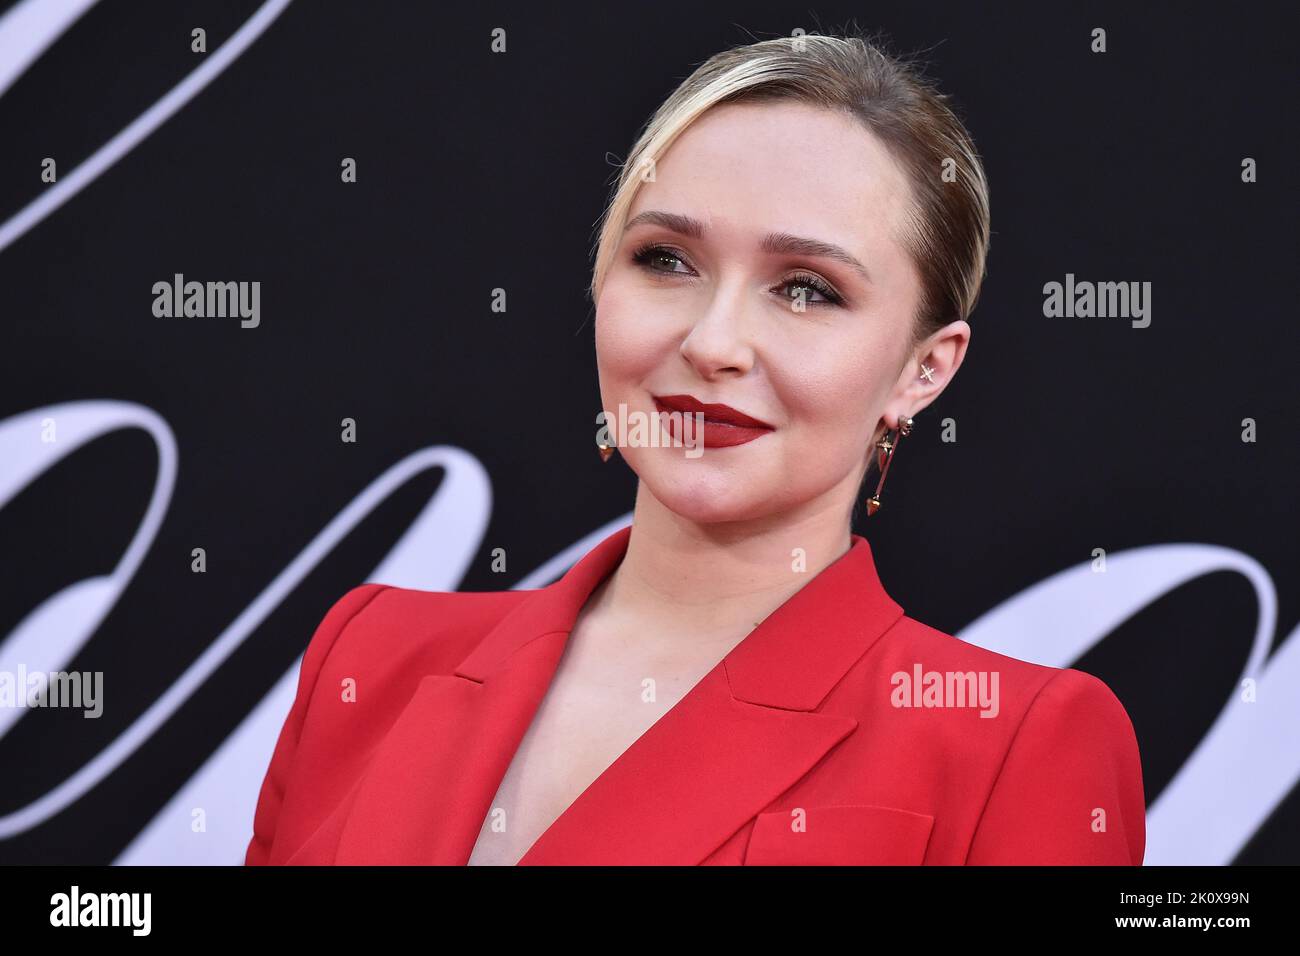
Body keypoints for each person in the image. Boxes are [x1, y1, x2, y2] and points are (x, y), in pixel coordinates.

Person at [246, 30, 1144, 866]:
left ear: (923, 370)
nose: (714, 342)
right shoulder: (371, 660)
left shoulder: (1017, 743)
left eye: (806, 289)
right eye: (666, 259)